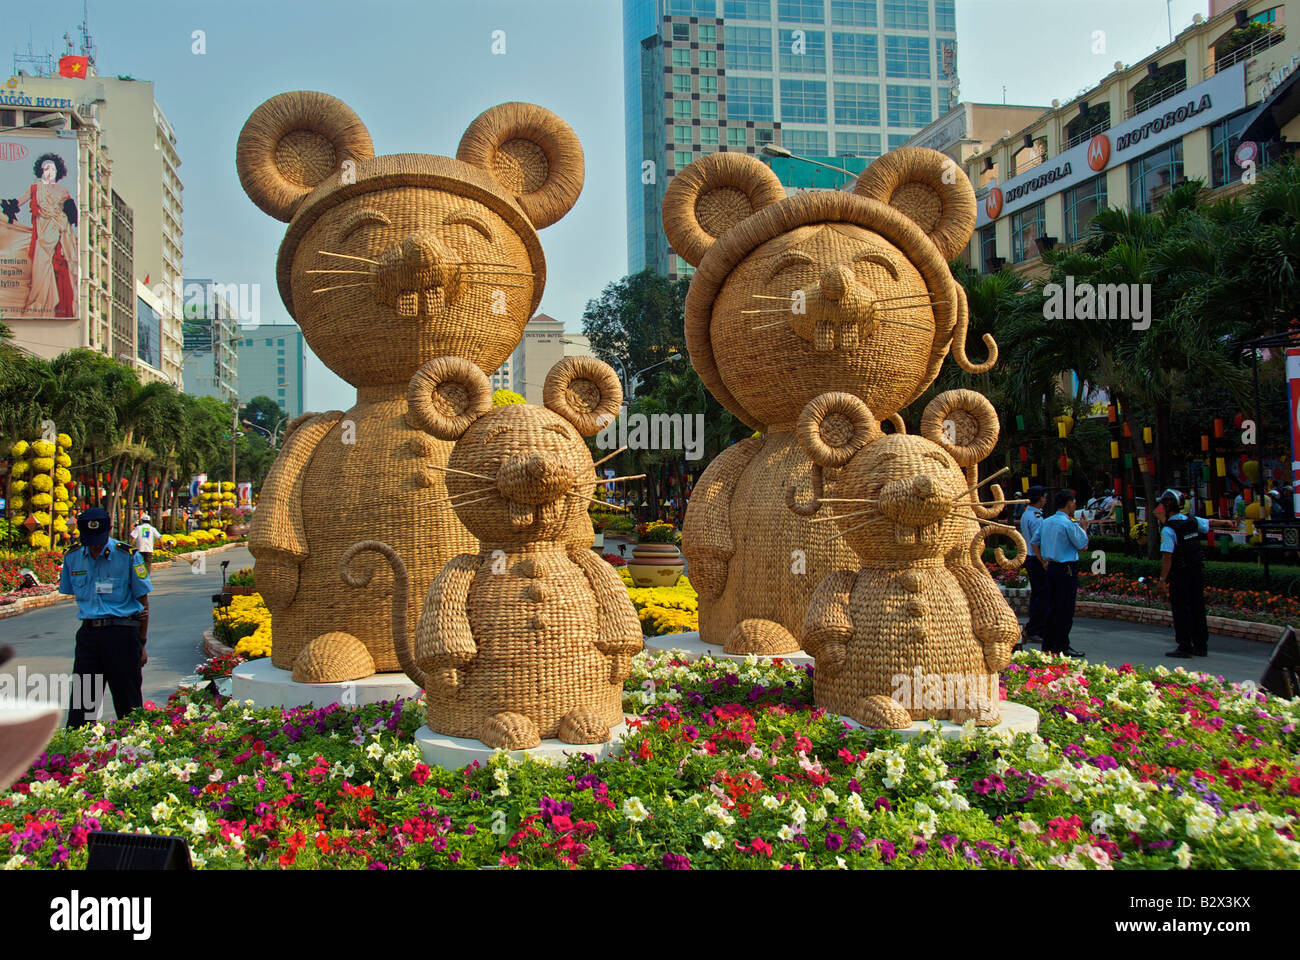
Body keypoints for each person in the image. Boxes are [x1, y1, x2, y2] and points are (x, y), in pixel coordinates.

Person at [56, 507, 152, 727]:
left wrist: (142, 643)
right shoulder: (72, 557)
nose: (96, 546)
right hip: (88, 635)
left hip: (122, 634)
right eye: (90, 540)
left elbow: (143, 602)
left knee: (129, 706)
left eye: (99, 539)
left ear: (108, 530)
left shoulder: (127, 556)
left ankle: (137, 753)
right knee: (82, 708)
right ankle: (77, 756)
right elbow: (70, 591)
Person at [1157, 490, 1234, 659]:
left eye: (1162, 505)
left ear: (1168, 506)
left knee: (1182, 608)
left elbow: (1167, 556)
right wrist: (1227, 523)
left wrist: (1162, 580)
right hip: (1196, 570)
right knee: (1197, 606)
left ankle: (1185, 646)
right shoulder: (1191, 521)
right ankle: (1201, 646)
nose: (1160, 508)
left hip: (1180, 573)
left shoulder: (1169, 530)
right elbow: (1210, 522)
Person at [1031, 490, 1090, 658]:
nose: (1075, 505)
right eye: (1074, 502)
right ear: (1069, 503)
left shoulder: (1046, 521)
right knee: (1065, 609)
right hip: (1066, 569)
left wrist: (1042, 560)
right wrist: (1084, 527)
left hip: (1051, 568)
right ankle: (1062, 645)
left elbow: (1034, 542)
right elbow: (1083, 545)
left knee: (1052, 607)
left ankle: (1048, 644)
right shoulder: (1068, 523)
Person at [1018, 486, 1049, 650]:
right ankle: (1035, 628)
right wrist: (1044, 560)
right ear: (1040, 498)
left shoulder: (1027, 513)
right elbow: (1039, 541)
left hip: (1031, 557)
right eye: (1044, 497)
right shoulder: (1036, 516)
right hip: (1037, 558)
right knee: (1042, 595)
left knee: (1038, 594)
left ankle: (1035, 627)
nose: (1045, 500)